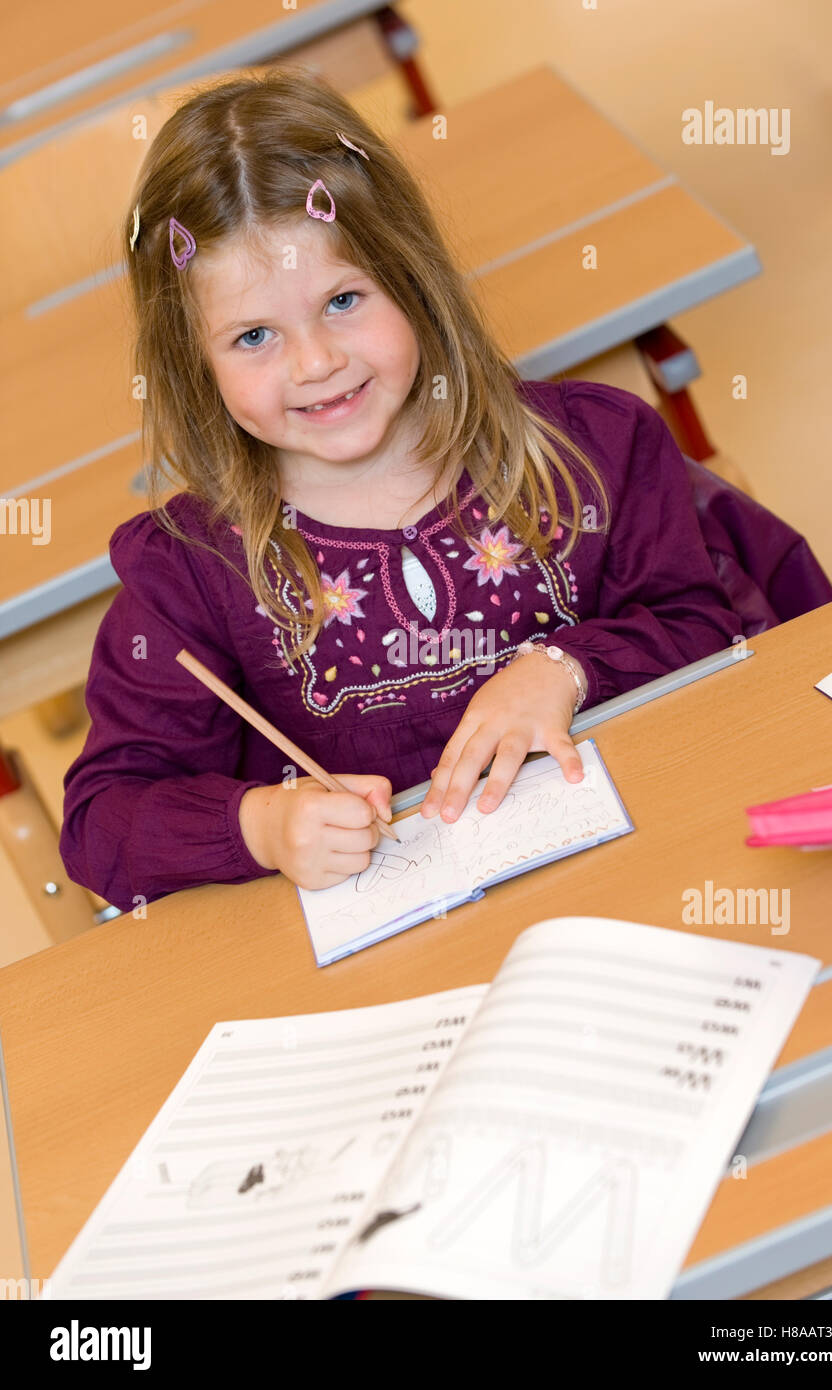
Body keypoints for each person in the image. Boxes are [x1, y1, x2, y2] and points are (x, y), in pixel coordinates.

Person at [60, 69, 742, 913]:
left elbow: (706, 627)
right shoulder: (188, 576)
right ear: (193, 365)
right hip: (403, 958)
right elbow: (101, 825)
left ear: (411, 278)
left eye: (344, 300)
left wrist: (565, 668)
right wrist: (261, 826)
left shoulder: (590, 450)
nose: (315, 363)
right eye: (253, 336)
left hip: (651, 868)